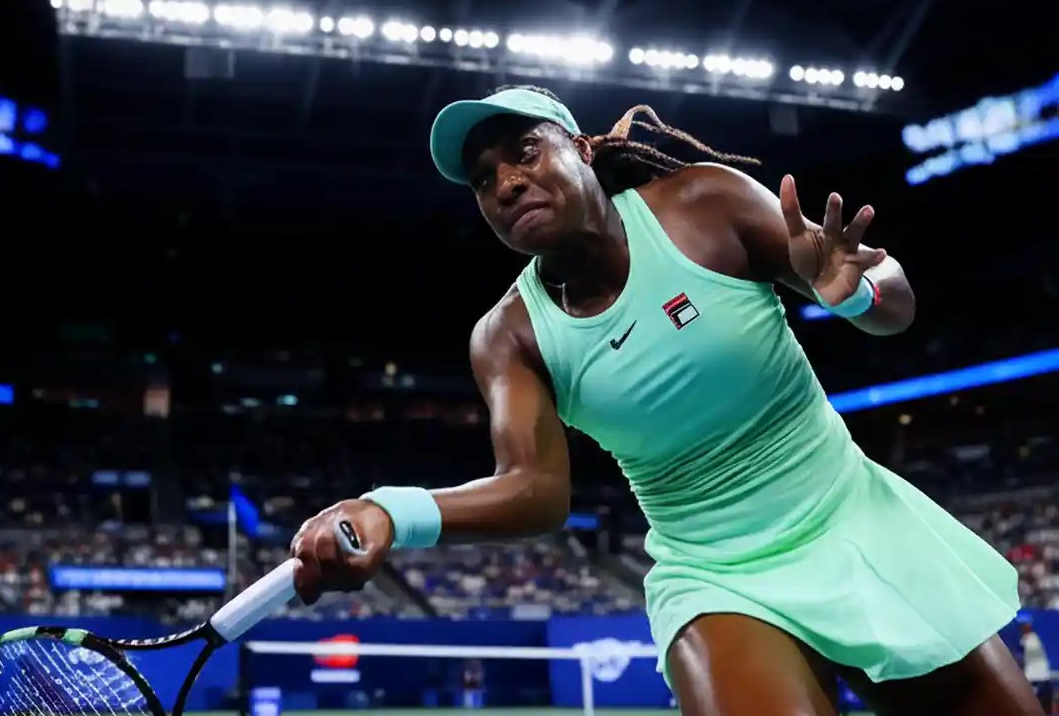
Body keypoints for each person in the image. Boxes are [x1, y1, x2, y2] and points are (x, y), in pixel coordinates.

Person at [289, 85, 1040, 716]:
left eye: (523, 152)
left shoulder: (706, 204)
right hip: (717, 576)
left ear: (581, 148)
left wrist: (855, 294)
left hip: (852, 515)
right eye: (484, 180)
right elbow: (535, 491)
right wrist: (390, 509)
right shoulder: (510, 337)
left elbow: (894, 307)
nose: (507, 183)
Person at [1019, 617, 1053, 712]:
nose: (1024, 627)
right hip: (1035, 679)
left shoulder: (1032, 640)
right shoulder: (1025, 640)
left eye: (1026, 625)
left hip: (1038, 679)